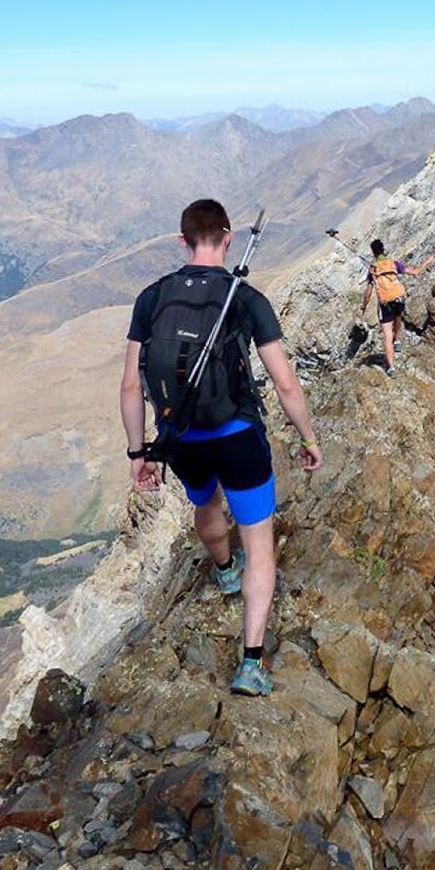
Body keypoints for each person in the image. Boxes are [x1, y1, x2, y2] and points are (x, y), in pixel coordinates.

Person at [120, 198, 323, 697]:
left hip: (181, 436)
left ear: (182, 239)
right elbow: (286, 385)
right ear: (228, 237)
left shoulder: (151, 298)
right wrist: (309, 438)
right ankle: (251, 663)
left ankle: (224, 570)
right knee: (260, 543)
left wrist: (137, 453)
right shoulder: (246, 298)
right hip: (237, 434)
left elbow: (130, 386)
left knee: (206, 503)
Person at [359, 238, 435, 376]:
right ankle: (398, 340)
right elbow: (415, 272)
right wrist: (427, 262)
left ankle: (391, 368)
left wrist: (364, 306)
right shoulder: (394, 264)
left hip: (385, 303)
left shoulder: (373, 270)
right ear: (384, 250)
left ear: (373, 253)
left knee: (387, 337)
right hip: (398, 299)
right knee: (398, 316)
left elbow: (368, 292)